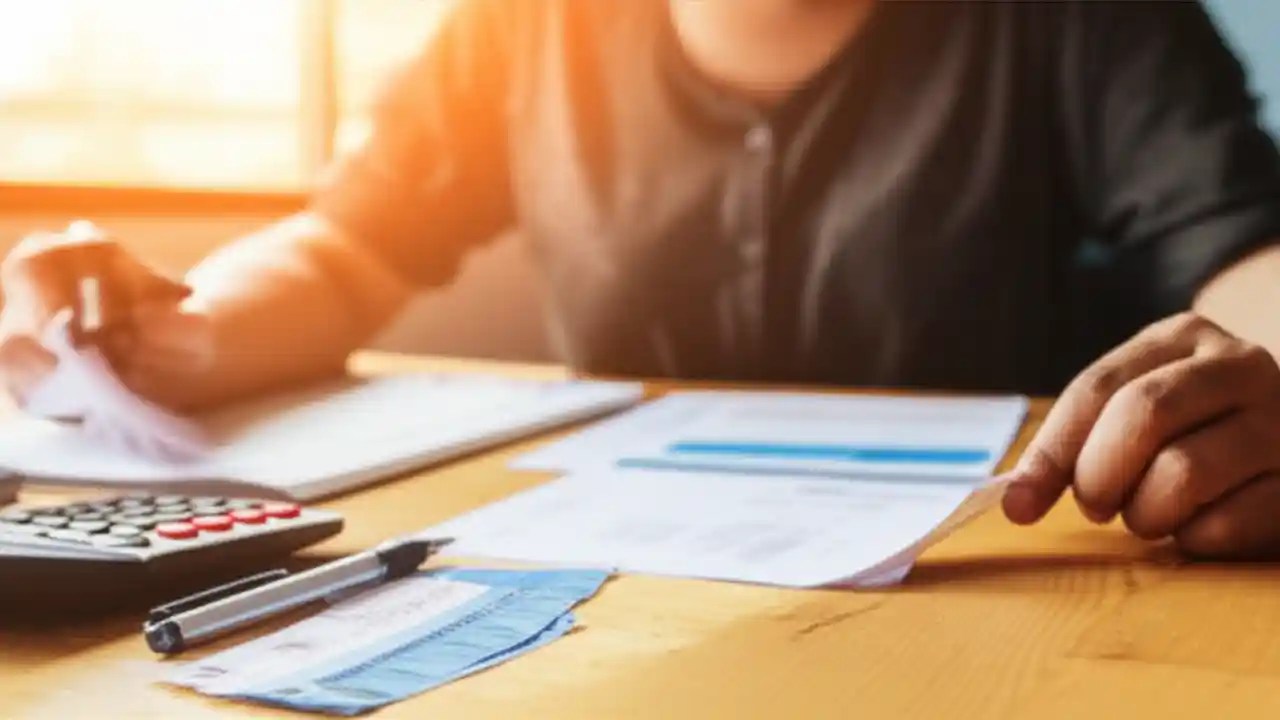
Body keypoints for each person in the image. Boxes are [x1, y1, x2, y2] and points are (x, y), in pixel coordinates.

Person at [3, 0, 1280, 557]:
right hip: (598, 578)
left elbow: (1242, 253)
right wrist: (180, 328)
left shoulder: (1079, 17)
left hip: (979, 574)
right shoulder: (528, 19)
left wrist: (1261, 376)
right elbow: (346, 246)